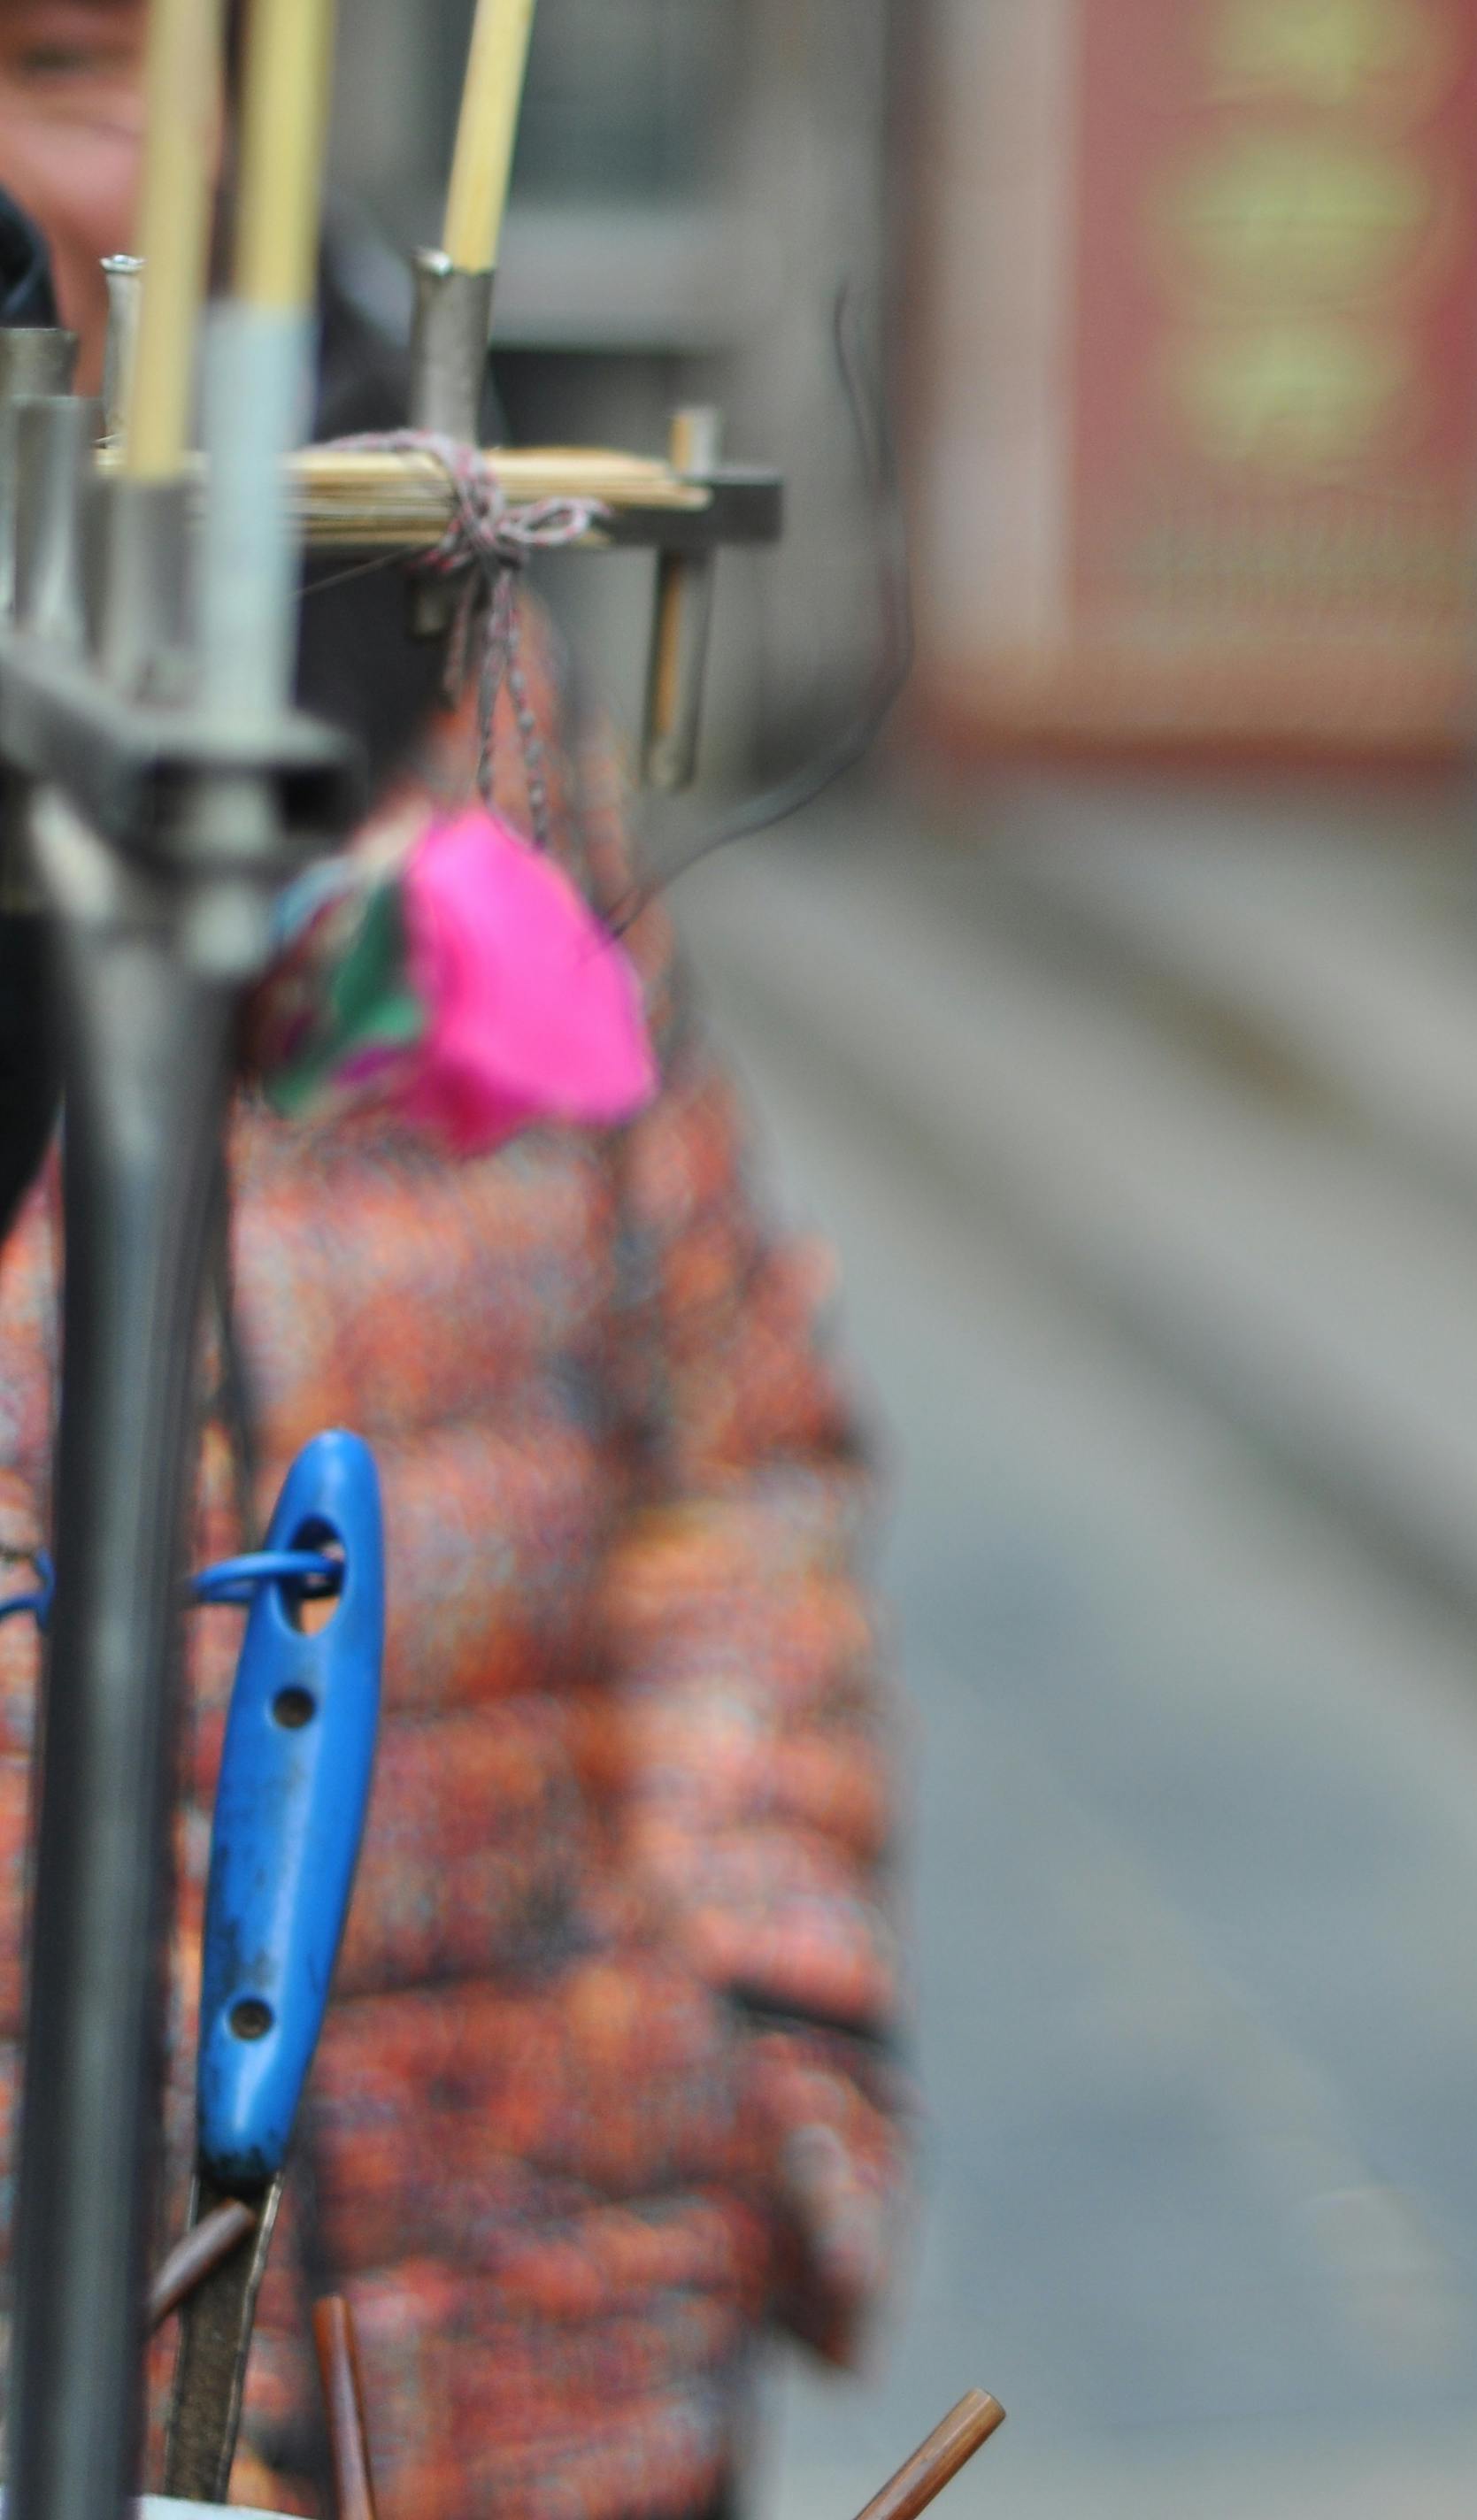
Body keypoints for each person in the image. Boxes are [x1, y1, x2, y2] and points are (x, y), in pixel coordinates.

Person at [0, 7, 907, 2516]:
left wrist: (756, 2022)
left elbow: (730, 1417)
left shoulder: (433, 613)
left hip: (545, 2302)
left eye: (104, 50)